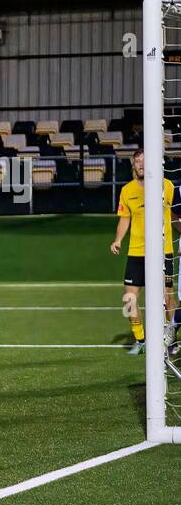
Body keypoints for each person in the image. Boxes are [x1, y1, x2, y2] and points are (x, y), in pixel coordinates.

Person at [111, 148, 178, 354]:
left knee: (167, 297)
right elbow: (125, 218)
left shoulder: (166, 186)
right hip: (136, 252)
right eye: (137, 161)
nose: (141, 164)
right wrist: (118, 240)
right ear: (134, 165)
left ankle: (172, 338)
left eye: (144, 160)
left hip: (162, 251)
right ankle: (140, 339)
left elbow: (176, 215)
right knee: (128, 299)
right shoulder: (127, 190)